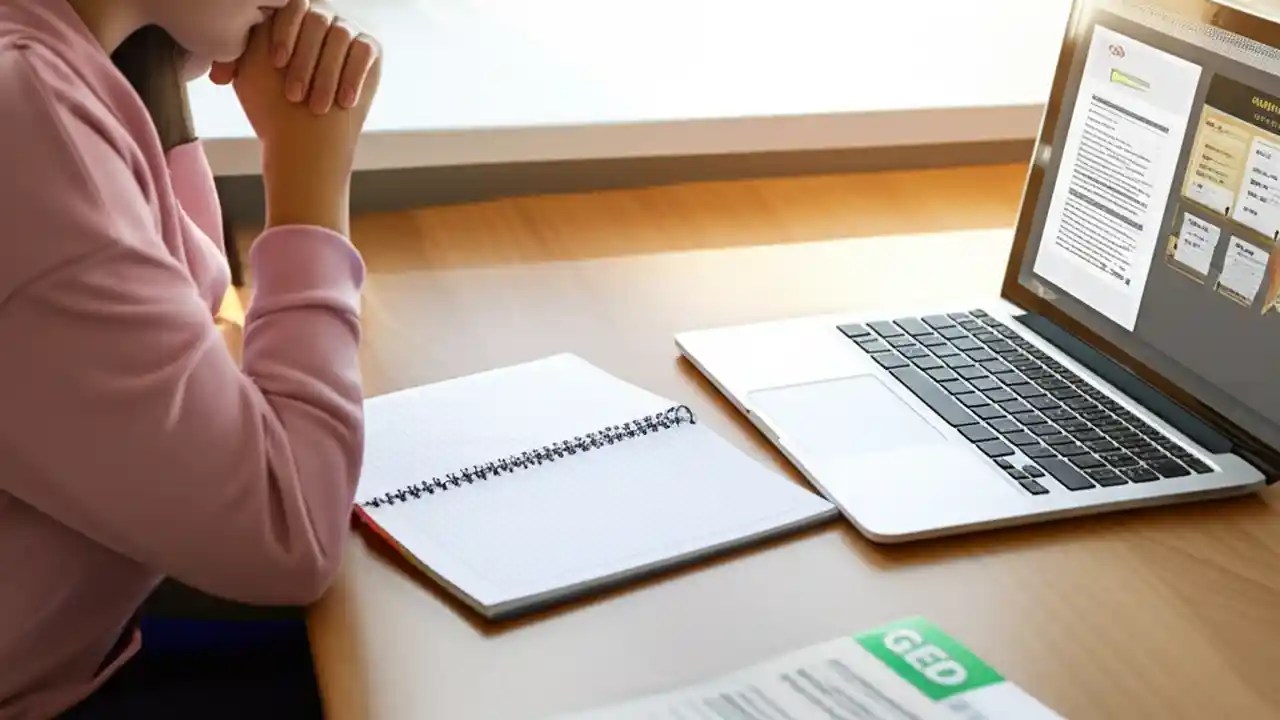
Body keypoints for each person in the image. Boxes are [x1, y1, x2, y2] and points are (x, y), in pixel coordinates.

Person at [0, 0, 381, 716]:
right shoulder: (29, 123)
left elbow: (193, 308)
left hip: (82, 653)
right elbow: (288, 528)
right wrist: (310, 185)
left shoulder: (58, 67)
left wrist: (167, 60)